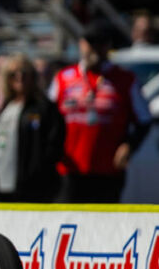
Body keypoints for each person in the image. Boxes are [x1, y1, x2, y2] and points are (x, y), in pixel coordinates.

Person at [49, 23, 152, 203]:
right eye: (91, 43)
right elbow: (48, 117)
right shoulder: (63, 78)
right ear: (81, 44)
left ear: (108, 46)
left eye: (101, 43)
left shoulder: (125, 80)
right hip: (69, 170)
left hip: (108, 172)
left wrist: (129, 145)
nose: (95, 49)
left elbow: (145, 121)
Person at [0, 54, 64, 202]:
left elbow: (55, 142)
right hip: (3, 185)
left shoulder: (44, 108)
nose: (19, 77)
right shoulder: (4, 109)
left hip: (34, 188)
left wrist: (39, 171)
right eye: (13, 74)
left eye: (24, 73)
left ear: (33, 76)